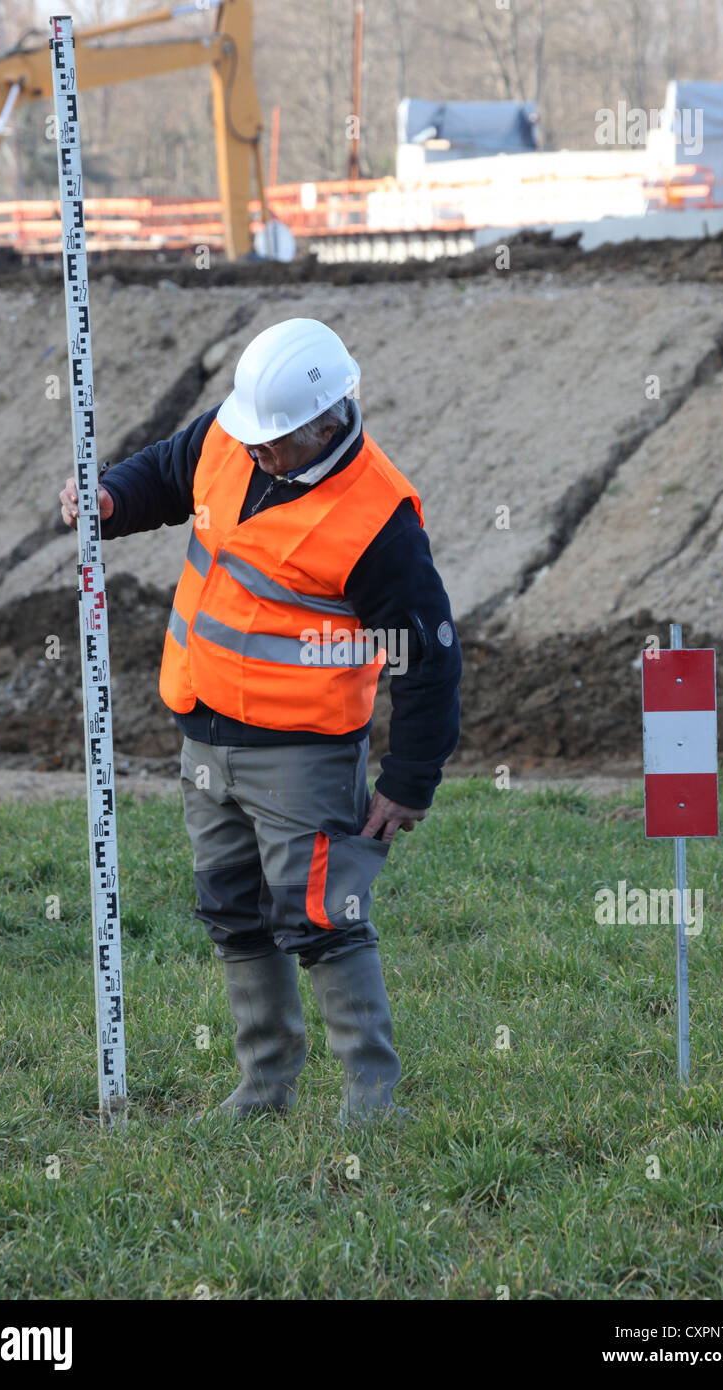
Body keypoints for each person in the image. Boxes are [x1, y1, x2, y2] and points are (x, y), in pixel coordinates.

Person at [59, 317, 461, 1123]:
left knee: (324, 915)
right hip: (203, 731)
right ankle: (265, 1084)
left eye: (274, 444)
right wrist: (110, 497)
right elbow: (168, 475)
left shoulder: (379, 521)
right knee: (232, 908)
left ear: (327, 423)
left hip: (302, 754)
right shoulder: (235, 435)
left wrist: (407, 782)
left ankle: (372, 1097)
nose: (256, 453)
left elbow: (427, 659)